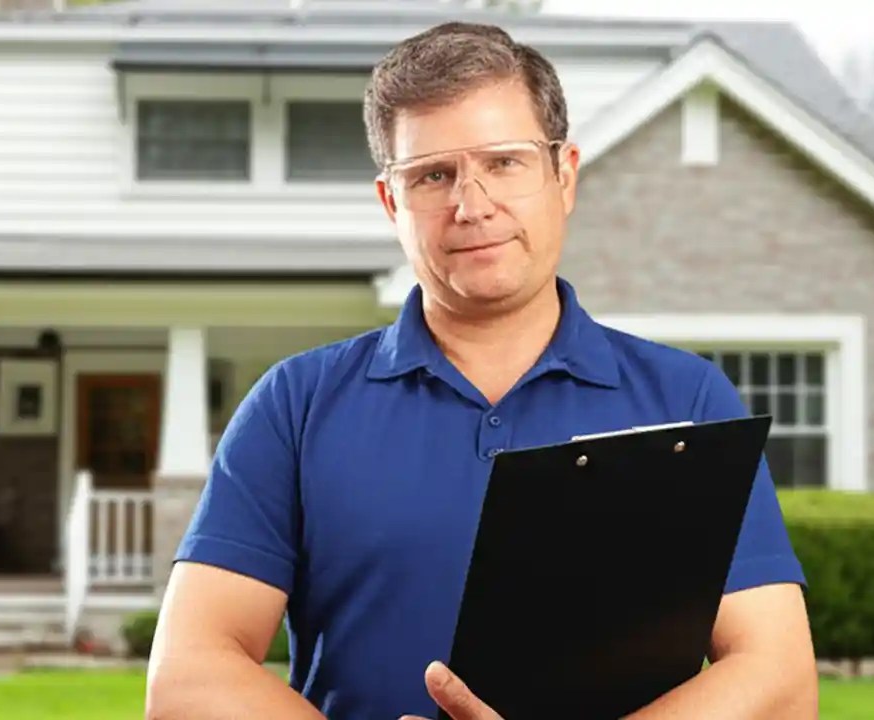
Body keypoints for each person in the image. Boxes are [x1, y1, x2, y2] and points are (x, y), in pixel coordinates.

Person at [144, 20, 818, 720]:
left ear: (564, 175)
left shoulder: (688, 399)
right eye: (433, 175)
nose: (472, 205)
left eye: (504, 162)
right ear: (390, 202)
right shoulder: (296, 405)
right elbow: (188, 679)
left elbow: (778, 680)